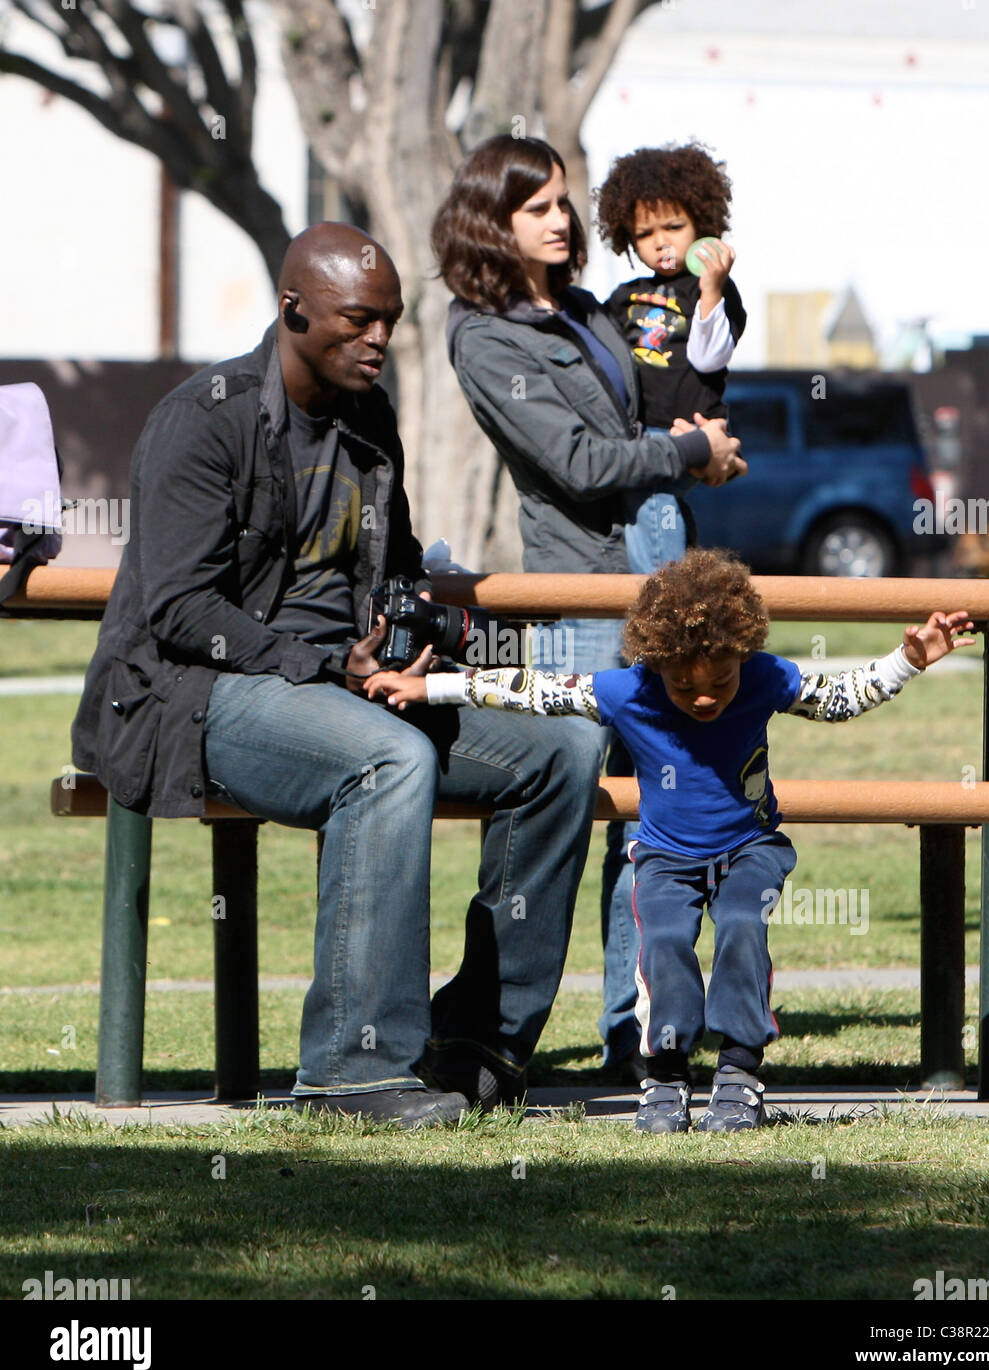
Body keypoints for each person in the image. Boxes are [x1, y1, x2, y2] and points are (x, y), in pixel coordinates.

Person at [71, 222, 601, 1128]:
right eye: (358, 322)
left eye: (390, 323)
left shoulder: (369, 423)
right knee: (389, 760)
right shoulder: (204, 420)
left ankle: (476, 1043)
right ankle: (354, 1073)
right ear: (292, 312)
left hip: (352, 687)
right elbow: (180, 613)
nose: (378, 341)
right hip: (198, 696)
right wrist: (321, 666)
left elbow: (390, 563)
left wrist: (410, 639)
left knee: (564, 748)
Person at [364, 549, 975, 1133]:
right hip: (665, 859)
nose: (704, 696)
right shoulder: (628, 690)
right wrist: (431, 689)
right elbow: (532, 690)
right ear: (654, 665)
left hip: (750, 848)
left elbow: (838, 698)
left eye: (720, 681)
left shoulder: (763, 677)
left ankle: (739, 1072)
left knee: (742, 927)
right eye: (684, 687)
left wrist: (908, 659)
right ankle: (666, 1075)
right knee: (662, 942)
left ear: (743, 654)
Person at [430, 135, 746, 1077]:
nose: (561, 221)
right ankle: (491, 1028)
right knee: (559, 802)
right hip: (580, 595)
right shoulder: (485, 336)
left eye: (564, 202)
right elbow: (574, 464)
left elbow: (666, 391)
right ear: (494, 225)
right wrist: (691, 456)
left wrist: (703, 417)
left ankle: (639, 1028)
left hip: (661, 576)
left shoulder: (588, 311)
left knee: (658, 813)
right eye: (539, 208)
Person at [594, 141, 747, 574]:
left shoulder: (714, 291)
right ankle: (672, 592)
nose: (660, 242)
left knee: (652, 492)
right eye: (644, 234)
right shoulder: (623, 297)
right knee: (648, 499)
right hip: (639, 435)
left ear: (702, 223)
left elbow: (708, 357)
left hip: (690, 430)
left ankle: (663, 598)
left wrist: (712, 288)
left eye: (674, 226)